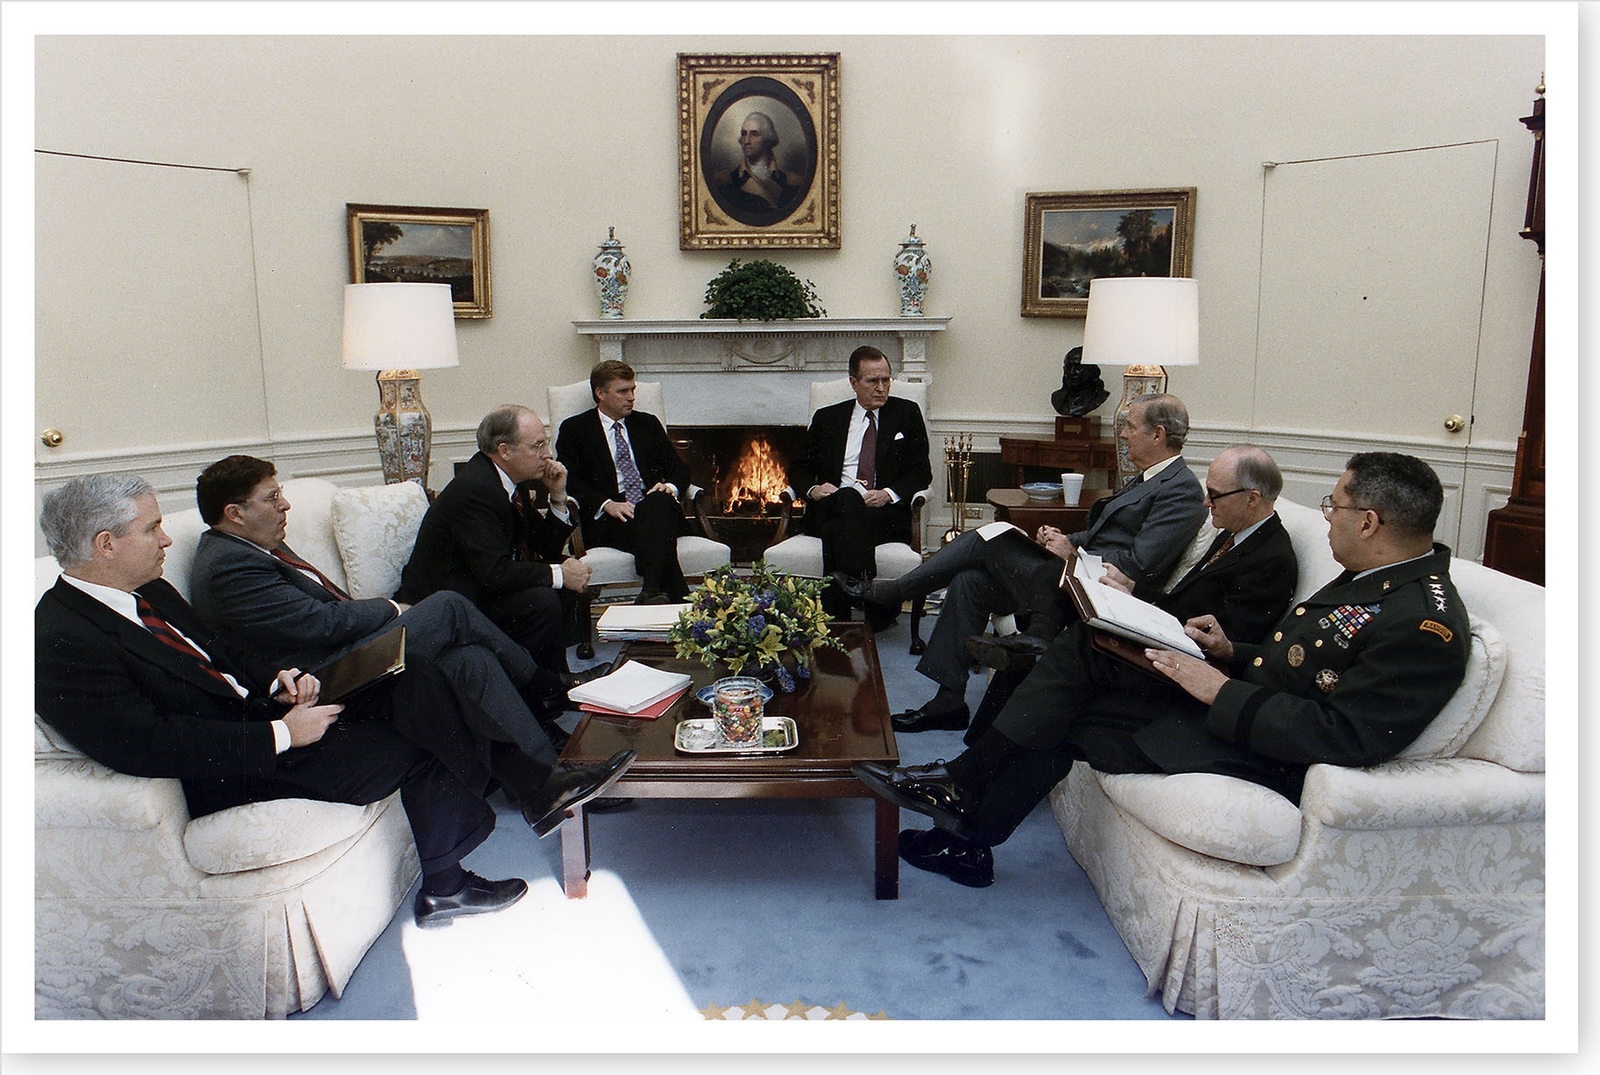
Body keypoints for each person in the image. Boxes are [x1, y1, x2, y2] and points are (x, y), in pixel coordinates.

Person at [34, 474, 635, 929]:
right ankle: (449, 879)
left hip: (269, 715)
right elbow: (143, 744)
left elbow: (220, 651)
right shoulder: (60, 636)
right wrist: (282, 734)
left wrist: (278, 678)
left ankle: (537, 785)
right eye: (151, 529)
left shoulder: (150, 588)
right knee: (414, 733)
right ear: (105, 543)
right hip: (235, 765)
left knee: (420, 676)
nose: (168, 539)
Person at [853, 452, 1471, 889]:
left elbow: (1346, 735)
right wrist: (1236, 653)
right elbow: (1297, 665)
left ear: (1370, 522)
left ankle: (963, 806)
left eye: (1334, 506)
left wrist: (1220, 685)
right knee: (1077, 664)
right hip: (1242, 705)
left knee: (1070, 698)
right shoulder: (1375, 580)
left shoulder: (1422, 623)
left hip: (1267, 751)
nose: (1326, 516)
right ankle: (965, 819)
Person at [840, 393, 1206, 732]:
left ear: (1158, 434)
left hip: (1098, 591)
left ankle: (895, 591)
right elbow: (1100, 536)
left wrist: (1072, 552)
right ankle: (948, 701)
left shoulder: (1181, 488)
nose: (1123, 435)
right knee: (970, 580)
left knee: (991, 537)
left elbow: (1140, 564)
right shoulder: (1147, 478)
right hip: (1071, 573)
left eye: (1130, 426)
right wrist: (1062, 538)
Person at [188, 454, 577, 752]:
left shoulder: (254, 544)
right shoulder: (228, 565)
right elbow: (319, 624)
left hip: (341, 655)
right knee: (447, 606)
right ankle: (545, 686)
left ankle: (544, 773)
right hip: (323, 678)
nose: (285, 505)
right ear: (235, 513)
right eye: (272, 498)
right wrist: (393, 609)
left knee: (469, 658)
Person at [961, 444, 1299, 743]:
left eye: (1214, 493)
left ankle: (979, 754)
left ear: (1252, 498)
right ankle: (982, 740)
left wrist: (1138, 607)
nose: (1205, 501)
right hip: (1165, 633)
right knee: (1061, 592)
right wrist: (1131, 589)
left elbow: (1223, 642)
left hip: (1182, 664)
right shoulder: (1236, 534)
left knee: (1075, 642)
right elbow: (1184, 598)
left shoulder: (1271, 558)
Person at [398, 405, 602, 688]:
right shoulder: (477, 490)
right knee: (542, 599)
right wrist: (559, 574)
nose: (547, 455)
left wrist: (557, 496)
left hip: (476, 586)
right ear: (505, 450)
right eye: (538, 446)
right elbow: (494, 573)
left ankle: (556, 683)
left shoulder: (507, 483)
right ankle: (549, 690)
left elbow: (545, 543)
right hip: (445, 604)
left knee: (557, 592)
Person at [788, 345, 932, 624]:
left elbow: (921, 472)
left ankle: (838, 614)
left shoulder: (907, 413)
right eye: (872, 381)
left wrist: (888, 494)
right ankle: (871, 600)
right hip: (831, 505)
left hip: (882, 514)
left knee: (844, 517)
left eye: (886, 380)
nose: (881, 388)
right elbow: (798, 468)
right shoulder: (827, 418)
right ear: (854, 383)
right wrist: (814, 490)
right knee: (846, 499)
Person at [556, 360, 692, 604]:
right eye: (623, 391)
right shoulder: (575, 429)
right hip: (612, 519)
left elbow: (679, 470)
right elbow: (570, 479)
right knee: (655, 532)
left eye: (633, 390)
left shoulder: (647, 424)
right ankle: (677, 597)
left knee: (657, 504)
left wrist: (668, 487)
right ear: (600, 393)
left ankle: (651, 590)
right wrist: (607, 503)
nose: (631, 397)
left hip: (655, 504)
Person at [708, 110, 804, 223]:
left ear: (768, 139)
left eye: (754, 134)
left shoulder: (791, 182)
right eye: (744, 134)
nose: (747, 141)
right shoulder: (726, 182)